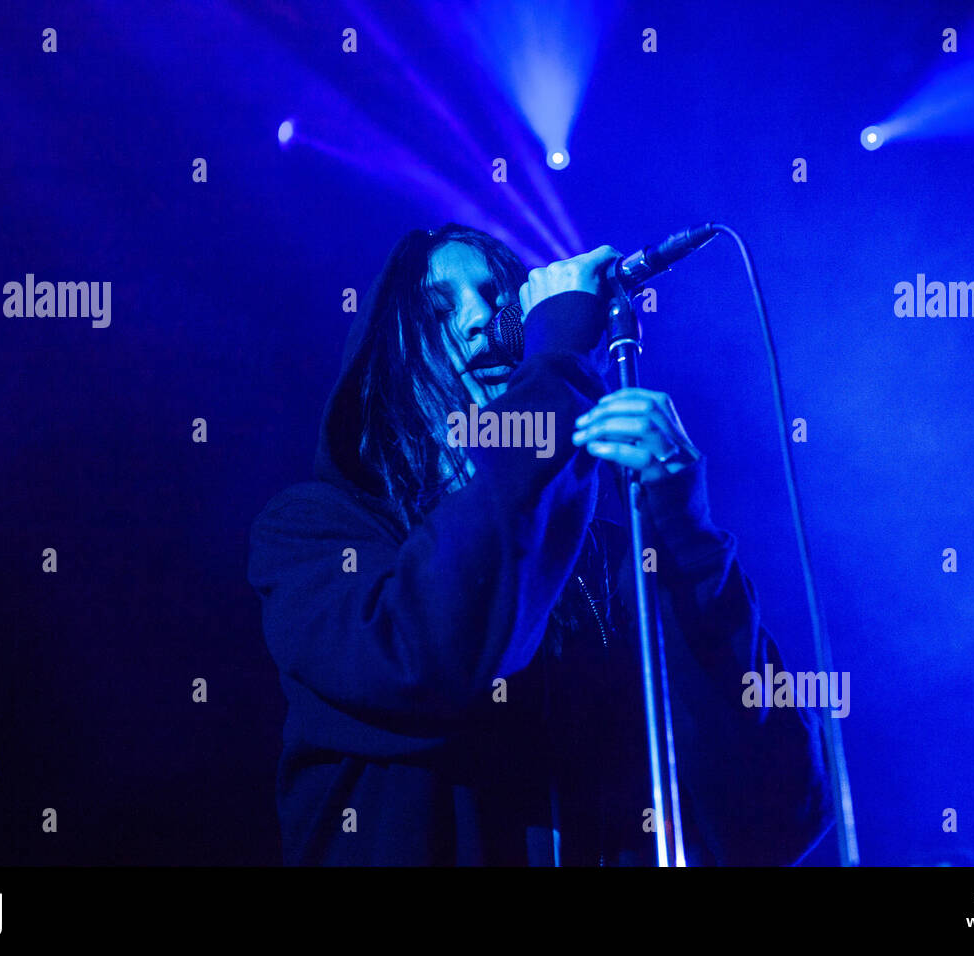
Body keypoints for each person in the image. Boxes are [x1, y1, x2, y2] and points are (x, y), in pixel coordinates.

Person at [247, 222, 832, 865]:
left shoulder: (616, 561)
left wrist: (685, 540)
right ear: (391, 368)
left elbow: (778, 821)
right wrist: (557, 364)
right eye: (438, 311)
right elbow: (430, 661)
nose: (481, 320)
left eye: (501, 300)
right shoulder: (315, 532)